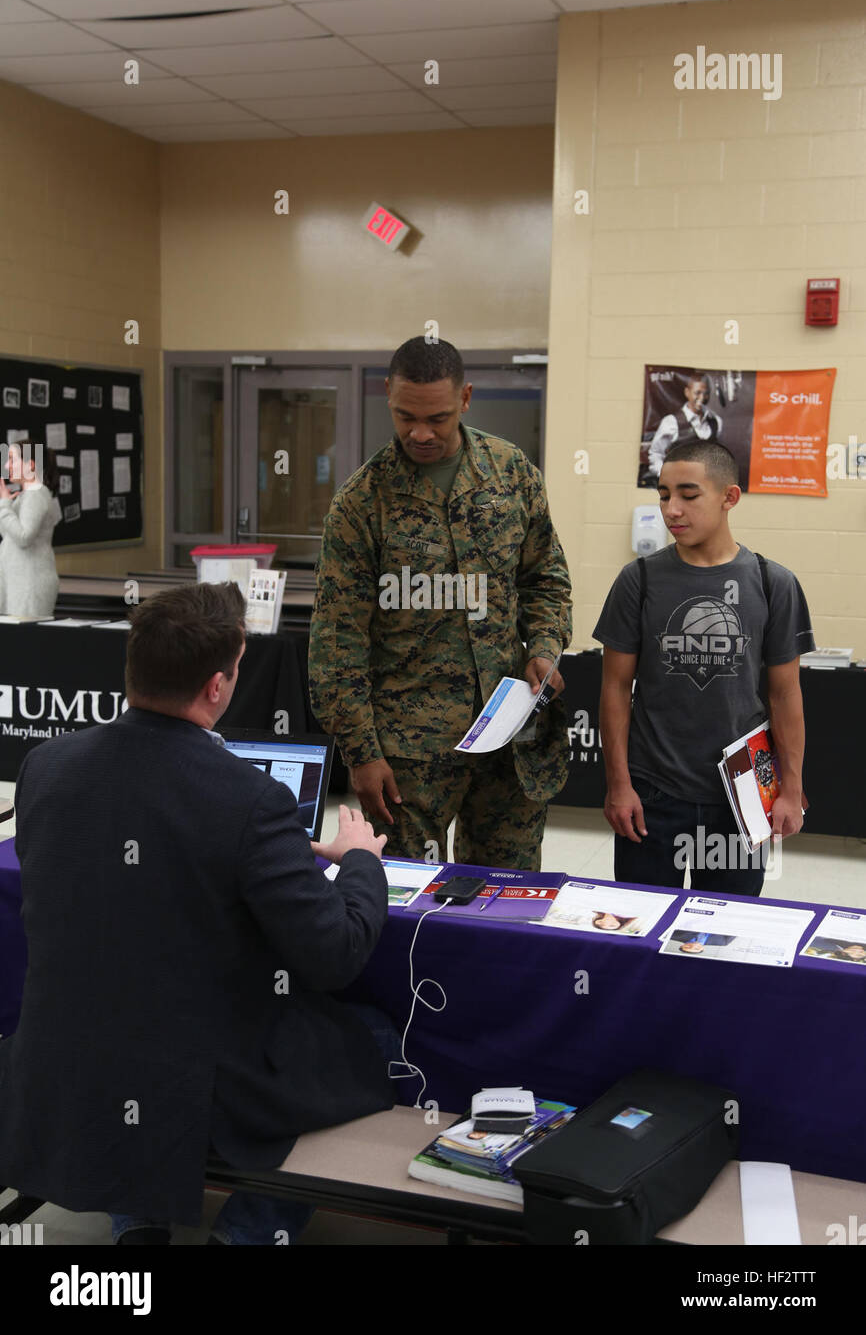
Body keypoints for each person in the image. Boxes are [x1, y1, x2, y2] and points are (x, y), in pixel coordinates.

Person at [0, 582, 399, 1245]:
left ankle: (137, 1226)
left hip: (64, 1060)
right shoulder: (251, 800)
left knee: (130, 1030)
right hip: (196, 1079)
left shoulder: (44, 768)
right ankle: (245, 1232)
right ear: (218, 687)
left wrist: (267, 851)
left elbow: (141, 845)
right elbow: (334, 953)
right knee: (376, 1036)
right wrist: (361, 861)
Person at [308, 337, 572, 873]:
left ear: (466, 398)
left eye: (438, 418)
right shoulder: (362, 504)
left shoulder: (510, 473)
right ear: (387, 395)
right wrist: (362, 753)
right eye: (405, 416)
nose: (420, 432)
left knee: (507, 899)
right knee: (405, 905)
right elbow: (338, 643)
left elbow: (545, 578)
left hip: (508, 736)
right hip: (407, 752)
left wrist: (544, 647)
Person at [594, 439, 814, 896]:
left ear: (728, 497)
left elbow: (785, 694)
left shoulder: (775, 583)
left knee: (722, 941)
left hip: (740, 799)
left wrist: (791, 789)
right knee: (641, 934)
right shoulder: (639, 580)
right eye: (663, 494)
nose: (672, 509)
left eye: (688, 495)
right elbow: (615, 688)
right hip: (652, 796)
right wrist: (619, 785)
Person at [0, 440, 62, 617]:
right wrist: (5, 505)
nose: (6, 465)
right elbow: (8, 535)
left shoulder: (36, 494)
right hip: (18, 583)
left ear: (30, 464)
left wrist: (4, 505)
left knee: (22, 641)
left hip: (29, 585)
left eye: (11, 460)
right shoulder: (26, 495)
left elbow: (24, 537)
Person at [647, 374, 722, 481]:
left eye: (706, 394)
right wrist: (666, 477)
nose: (702, 398)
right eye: (697, 393)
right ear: (687, 392)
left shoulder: (716, 421)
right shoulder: (671, 422)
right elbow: (656, 454)